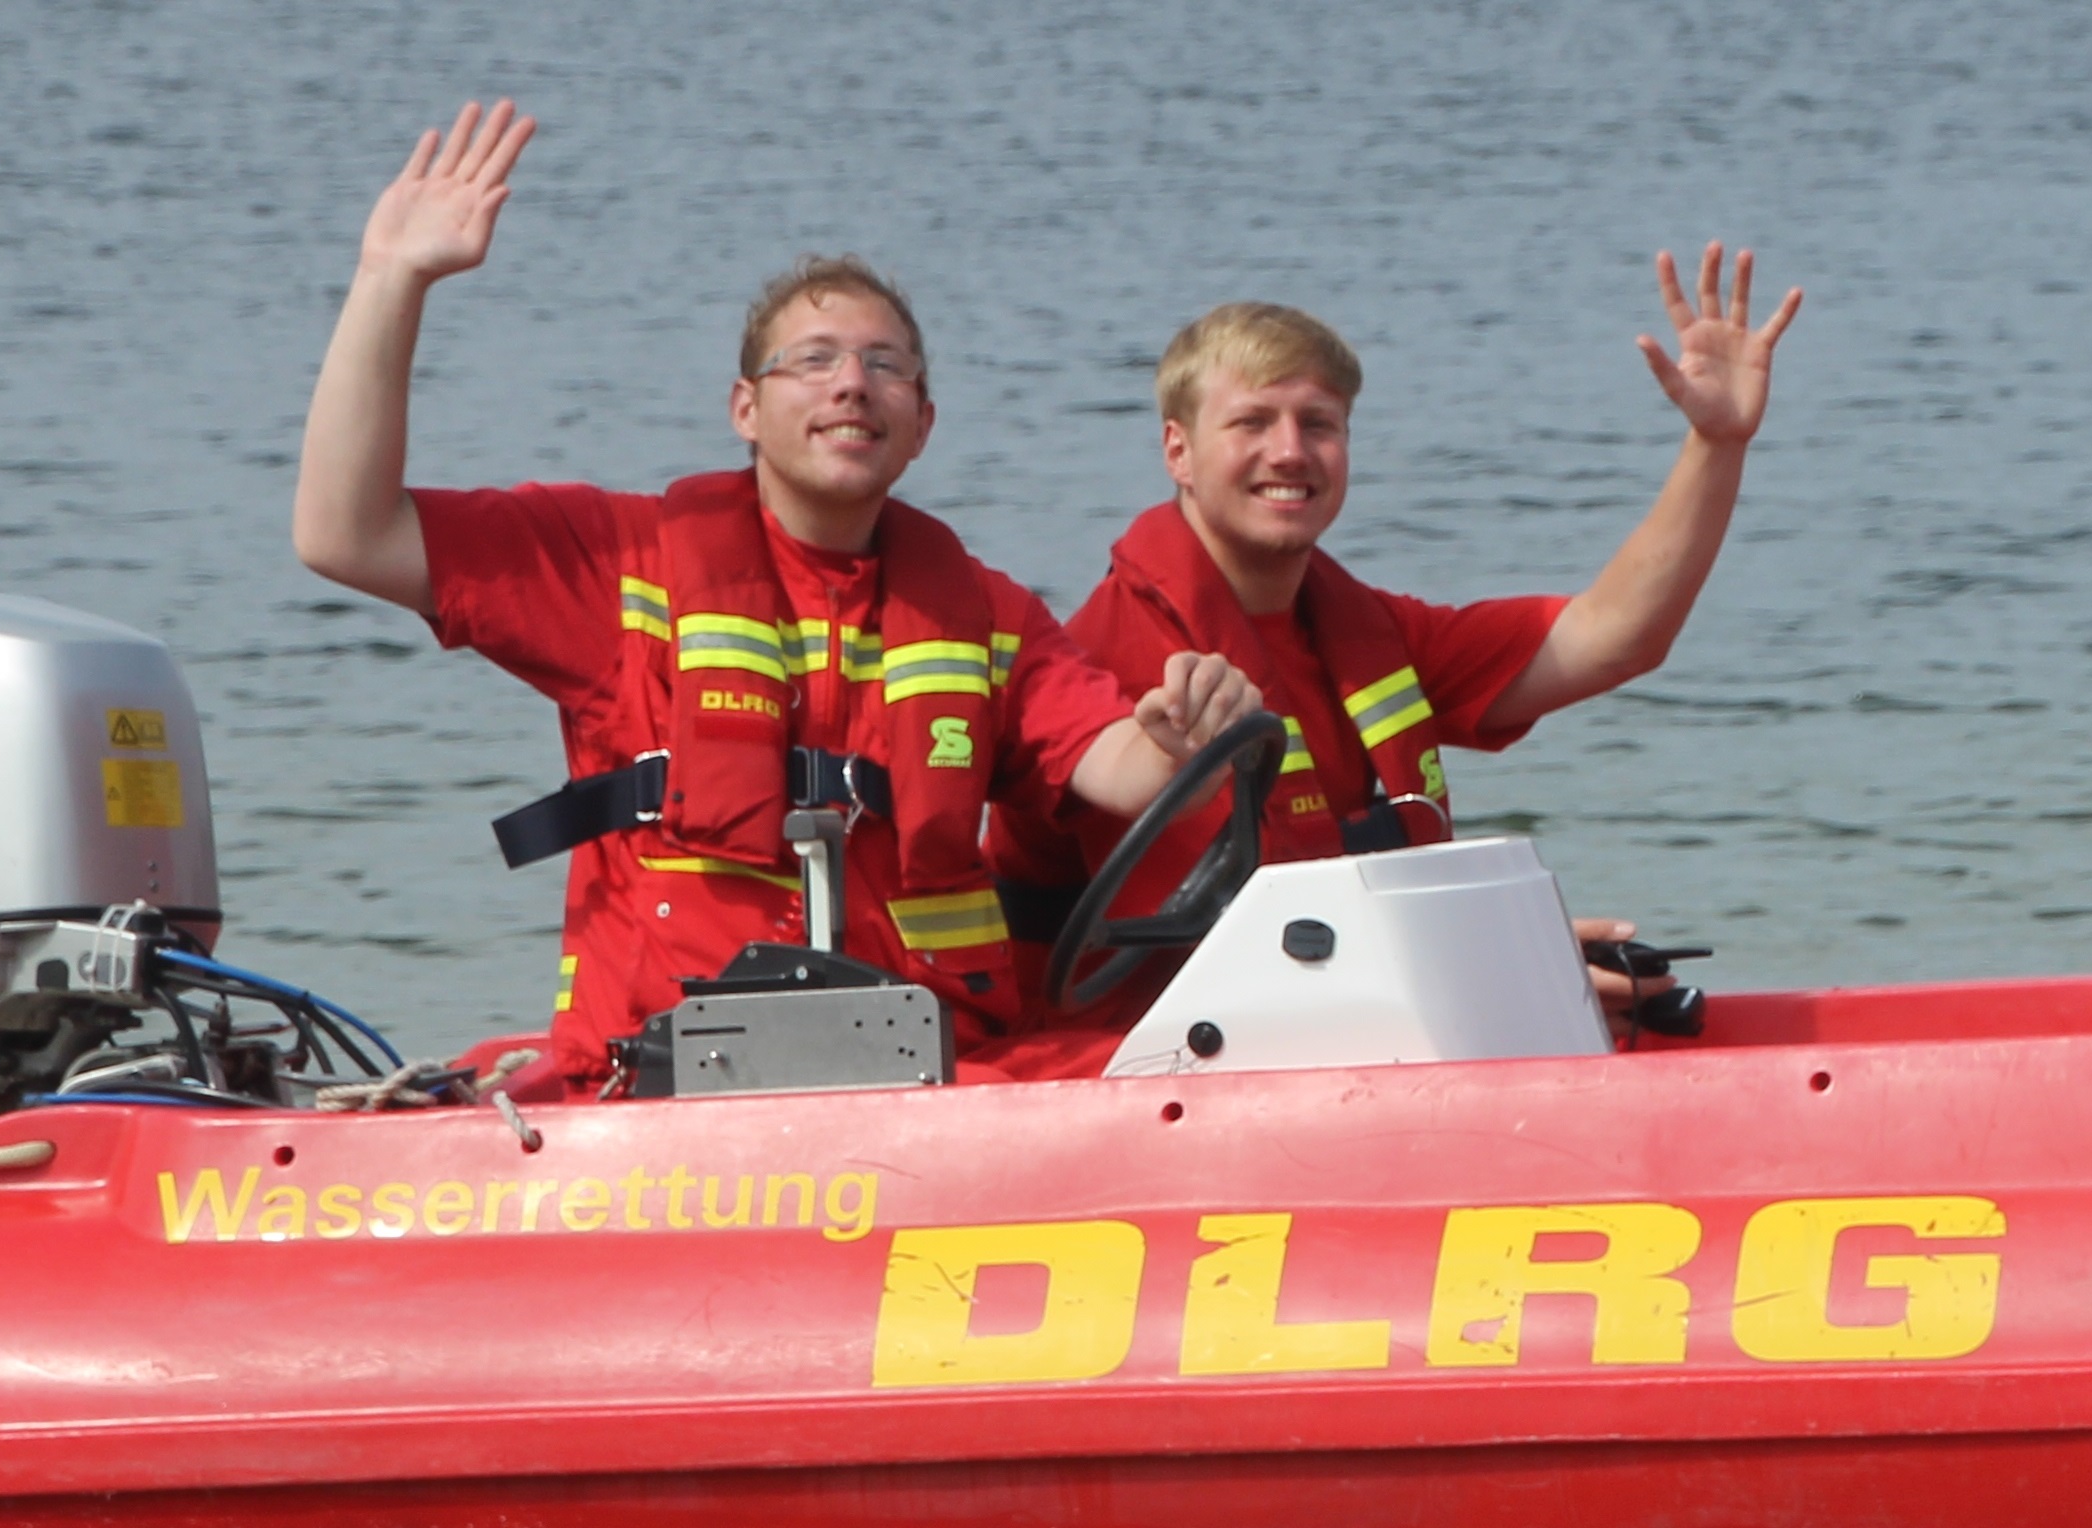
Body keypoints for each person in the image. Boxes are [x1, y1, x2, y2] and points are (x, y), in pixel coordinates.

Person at [287, 101, 1259, 1091]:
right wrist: (391, 279)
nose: (851, 384)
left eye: (885, 366)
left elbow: (1123, 767)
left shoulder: (988, 614)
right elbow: (344, 534)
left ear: (921, 424)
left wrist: (1186, 731)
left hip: (936, 1085)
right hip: (665, 1083)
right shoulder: (618, 563)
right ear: (744, 410)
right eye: (815, 360)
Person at [997, 254, 1802, 1032]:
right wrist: (1513, 961)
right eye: (1252, 422)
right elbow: (1245, 958)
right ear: (1177, 450)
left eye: (1320, 424)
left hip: (1335, 1030)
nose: (1290, 452)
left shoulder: (1369, 629)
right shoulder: (1112, 668)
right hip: (1127, 1064)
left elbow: (1612, 637)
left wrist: (1716, 445)